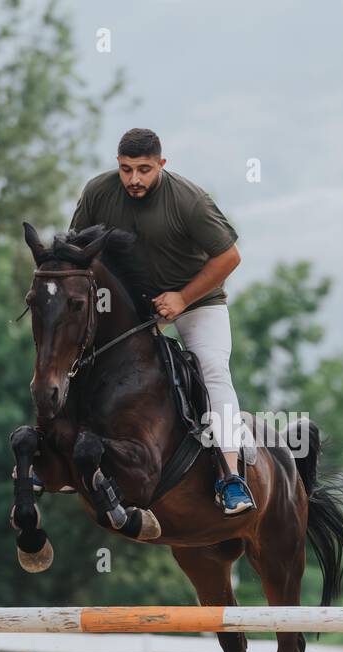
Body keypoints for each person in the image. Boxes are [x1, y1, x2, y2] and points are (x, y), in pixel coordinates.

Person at [69, 127, 255, 515]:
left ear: (161, 165)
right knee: (78, 359)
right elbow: (77, 251)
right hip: (136, 308)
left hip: (199, 303)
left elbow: (230, 258)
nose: (133, 179)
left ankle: (231, 478)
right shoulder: (97, 192)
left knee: (213, 369)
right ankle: (59, 452)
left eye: (144, 169)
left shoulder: (189, 200)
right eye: (125, 169)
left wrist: (183, 297)